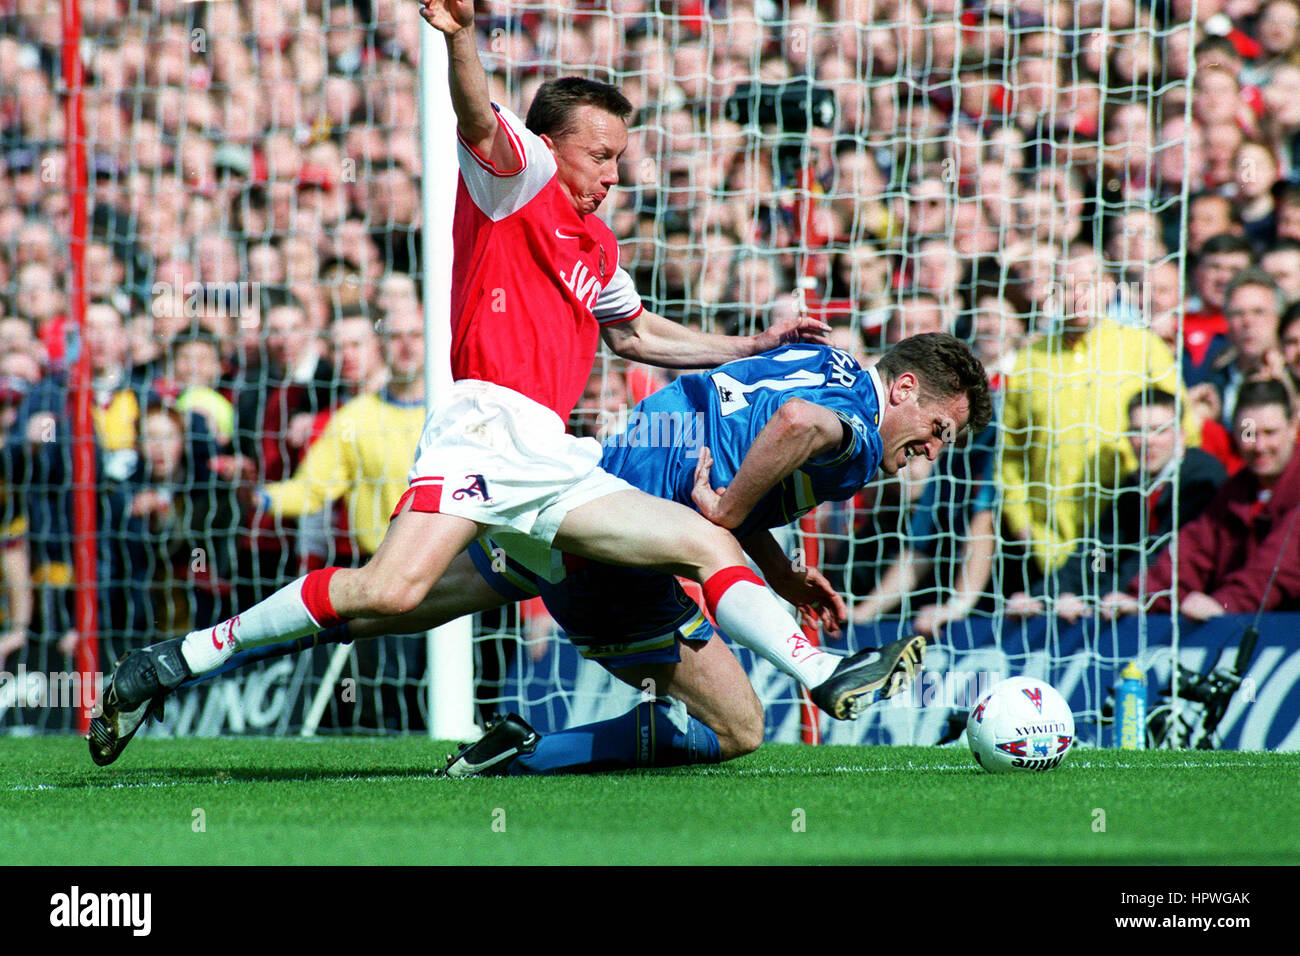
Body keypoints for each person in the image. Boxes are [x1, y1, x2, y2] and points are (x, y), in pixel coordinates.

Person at [88, 1, 941, 764]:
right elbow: (474, 110)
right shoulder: (518, 178)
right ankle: (177, 661)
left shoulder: (597, 245)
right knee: (389, 592)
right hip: (487, 426)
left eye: (620, 159)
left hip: (552, 454)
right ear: (551, 146)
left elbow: (639, 332)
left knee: (697, 542)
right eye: (600, 156)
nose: (614, 175)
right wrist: (461, 38)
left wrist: (748, 339)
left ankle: (820, 670)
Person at [98, 335, 993, 773]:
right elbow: (785, 436)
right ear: (905, 388)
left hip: (577, 490)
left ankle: (174, 658)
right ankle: (819, 668)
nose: (934, 449)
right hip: (613, 509)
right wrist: (729, 514)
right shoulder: (855, 426)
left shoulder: (827, 369)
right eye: (939, 429)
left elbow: (749, 439)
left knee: (384, 596)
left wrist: (782, 566)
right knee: (739, 728)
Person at [1103, 379, 1300, 619]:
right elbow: (1192, 553)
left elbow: (1280, 568)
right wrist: (1143, 597)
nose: (1259, 445)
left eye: (1270, 433)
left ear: (1292, 428)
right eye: (1248, 433)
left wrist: (1225, 604)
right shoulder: (1234, 492)